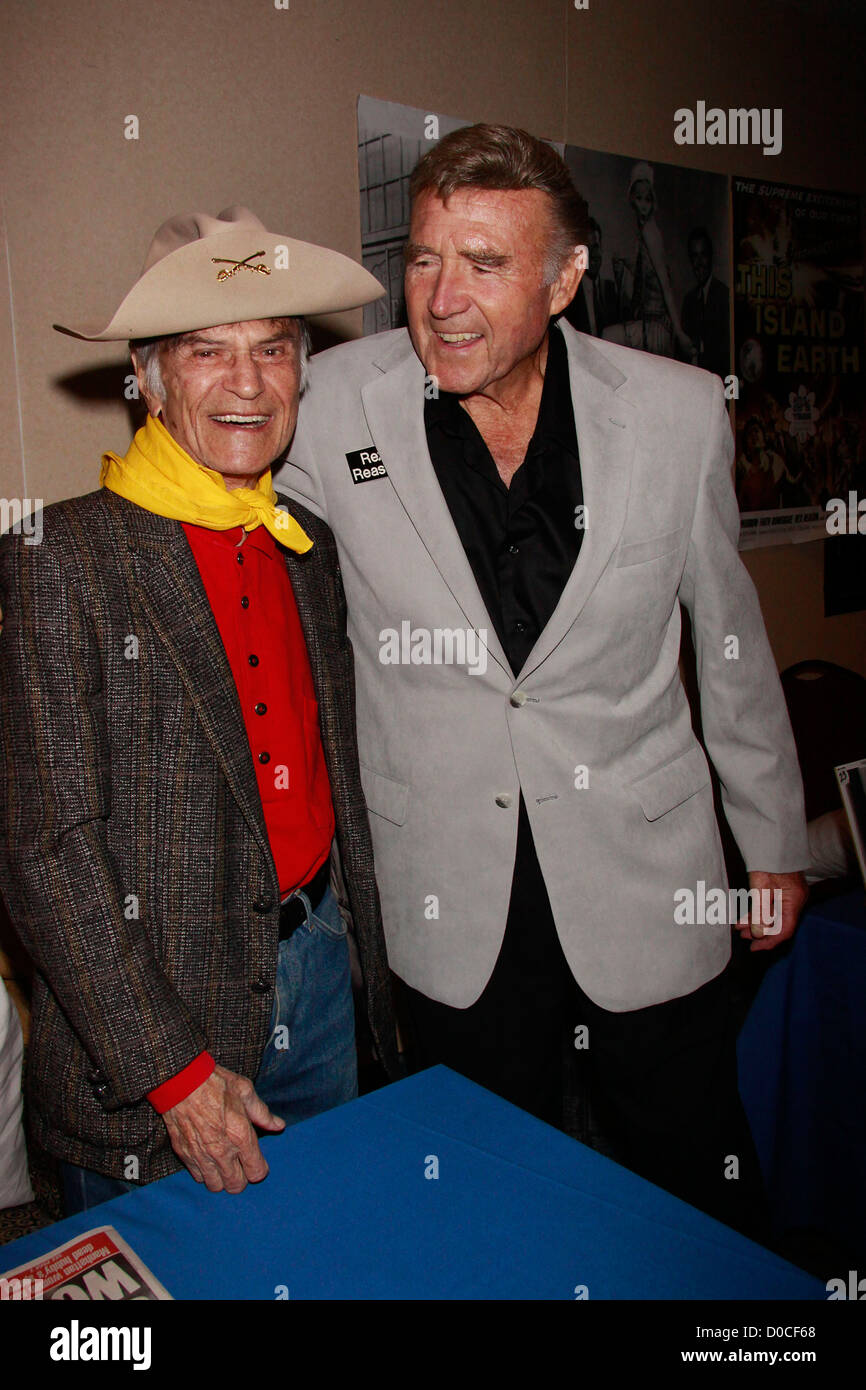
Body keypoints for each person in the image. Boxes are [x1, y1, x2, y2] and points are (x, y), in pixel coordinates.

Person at [281, 124, 809, 1240]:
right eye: (423, 258)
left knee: (699, 1189)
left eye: (485, 262)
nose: (441, 298)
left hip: (645, 879)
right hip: (447, 894)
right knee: (481, 1200)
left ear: (565, 279)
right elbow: (212, 483)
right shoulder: (331, 403)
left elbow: (725, 639)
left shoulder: (671, 412)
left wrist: (769, 840)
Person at [0, 205, 399, 1215]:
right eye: (207, 352)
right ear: (148, 372)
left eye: (272, 349)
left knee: (325, 1257)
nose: (247, 381)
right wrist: (174, 1073)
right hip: (155, 1032)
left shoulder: (303, 539)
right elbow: (45, 852)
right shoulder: (61, 558)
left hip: (318, 978)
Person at [609, 161, 696, 362]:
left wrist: (679, 332)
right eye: (639, 198)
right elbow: (648, 275)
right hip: (648, 321)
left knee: (607, 336)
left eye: (647, 199)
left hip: (658, 327)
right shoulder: (641, 234)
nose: (643, 205)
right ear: (631, 198)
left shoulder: (650, 232)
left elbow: (665, 285)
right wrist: (626, 266)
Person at [681, 227, 731, 380]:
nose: (699, 263)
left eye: (703, 255)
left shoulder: (724, 296)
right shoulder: (688, 300)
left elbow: (725, 349)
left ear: (711, 257)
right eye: (694, 256)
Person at [563, 218, 617, 338]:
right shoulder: (570, 296)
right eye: (587, 248)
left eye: (596, 247)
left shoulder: (611, 291)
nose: (593, 254)